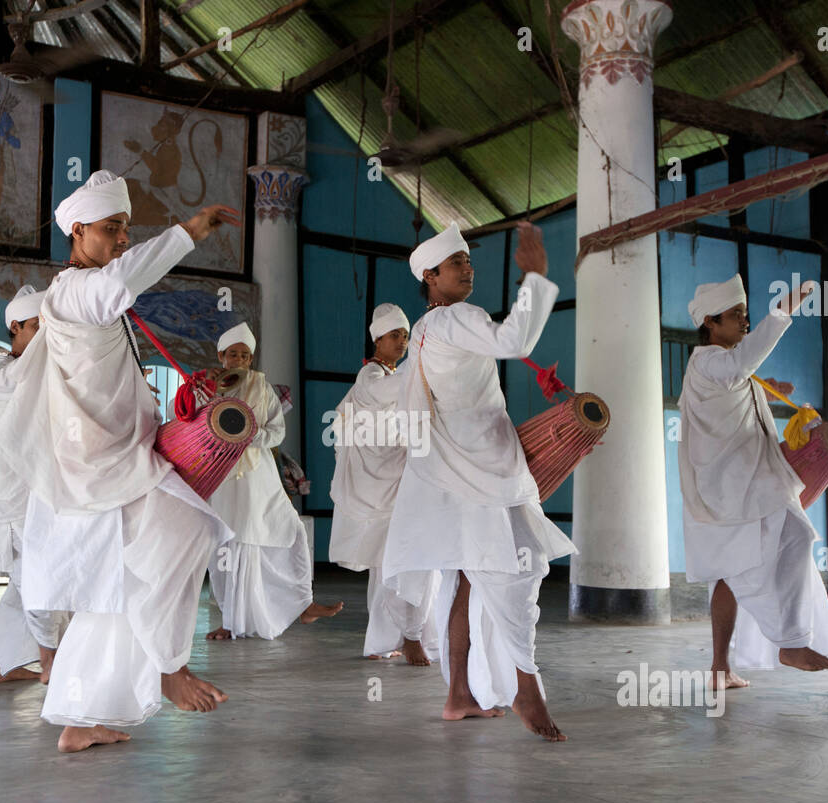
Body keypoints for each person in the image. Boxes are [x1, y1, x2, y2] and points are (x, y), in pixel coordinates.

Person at [0, 169, 240, 752]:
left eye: (127, 227)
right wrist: (189, 231)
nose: (123, 238)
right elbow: (123, 282)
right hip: (105, 463)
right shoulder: (80, 289)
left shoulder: (81, 291)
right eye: (112, 228)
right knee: (188, 529)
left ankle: (79, 719)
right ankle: (168, 666)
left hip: (115, 452)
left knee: (116, 589)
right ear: (78, 231)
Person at [383, 221, 573, 741]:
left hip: (449, 470)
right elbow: (514, 339)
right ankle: (525, 686)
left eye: (468, 260)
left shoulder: (423, 331)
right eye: (457, 263)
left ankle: (459, 696)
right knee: (516, 573)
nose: (469, 268)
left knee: (466, 582)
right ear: (430, 275)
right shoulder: (456, 318)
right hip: (483, 469)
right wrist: (535, 277)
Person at [679, 274, 828, 689]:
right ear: (711, 324)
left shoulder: (723, 368)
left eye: (747, 315)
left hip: (739, 487)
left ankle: (720, 668)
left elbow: (730, 389)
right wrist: (781, 312)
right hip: (736, 487)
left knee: (729, 574)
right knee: (796, 536)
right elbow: (736, 368)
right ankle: (790, 642)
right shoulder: (710, 361)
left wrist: (766, 393)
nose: (744, 323)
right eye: (736, 316)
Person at [204, 321, 343, 641]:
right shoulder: (209, 387)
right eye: (233, 354)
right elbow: (195, 421)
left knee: (288, 530)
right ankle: (229, 621)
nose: (239, 360)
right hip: (223, 476)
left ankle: (301, 604)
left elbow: (276, 431)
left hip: (258, 475)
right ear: (222, 356)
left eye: (245, 355)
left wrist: (245, 436)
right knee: (230, 544)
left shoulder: (261, 387)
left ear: (250, 359)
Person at [0, 285, 69, 684]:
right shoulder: (1, 372)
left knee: (27, 583)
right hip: (13, 501)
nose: (46, 334)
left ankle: (1, 665)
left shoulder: (44, 369)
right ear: (15, 328)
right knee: (38, 577)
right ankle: (49, 659)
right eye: (36, 326)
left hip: (44, 495)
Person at [330, 304, 437, 665]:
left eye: (406, 336)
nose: (403, 342)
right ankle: (405, 636)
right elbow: (394, 392)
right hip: (387, 483)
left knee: (407, 559)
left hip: (405, 474)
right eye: (396, 335)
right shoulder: (372, 377)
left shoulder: (393, 374)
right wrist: (425, 354)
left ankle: (401, 636)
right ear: (378, 338)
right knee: (394, 562)